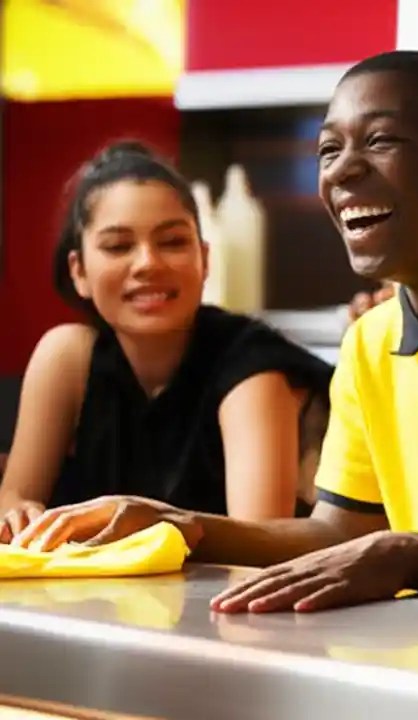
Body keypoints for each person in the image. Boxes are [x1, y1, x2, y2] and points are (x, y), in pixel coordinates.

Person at [12, 51, 418, 613]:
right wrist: (181, 525)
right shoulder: (372, 340)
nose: (342, 169)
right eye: (330, 148)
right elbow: (337, 531)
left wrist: (402, 552)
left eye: (381, 140)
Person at [0, 143, 333, 544]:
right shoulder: (67, 355)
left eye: (173, 242)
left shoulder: (252, 371)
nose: (147, 264)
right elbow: (16, 496)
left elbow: (259, 549)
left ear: (204, 259)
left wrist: (156, 526)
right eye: (118, 246)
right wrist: (16, 514)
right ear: (79, 271)